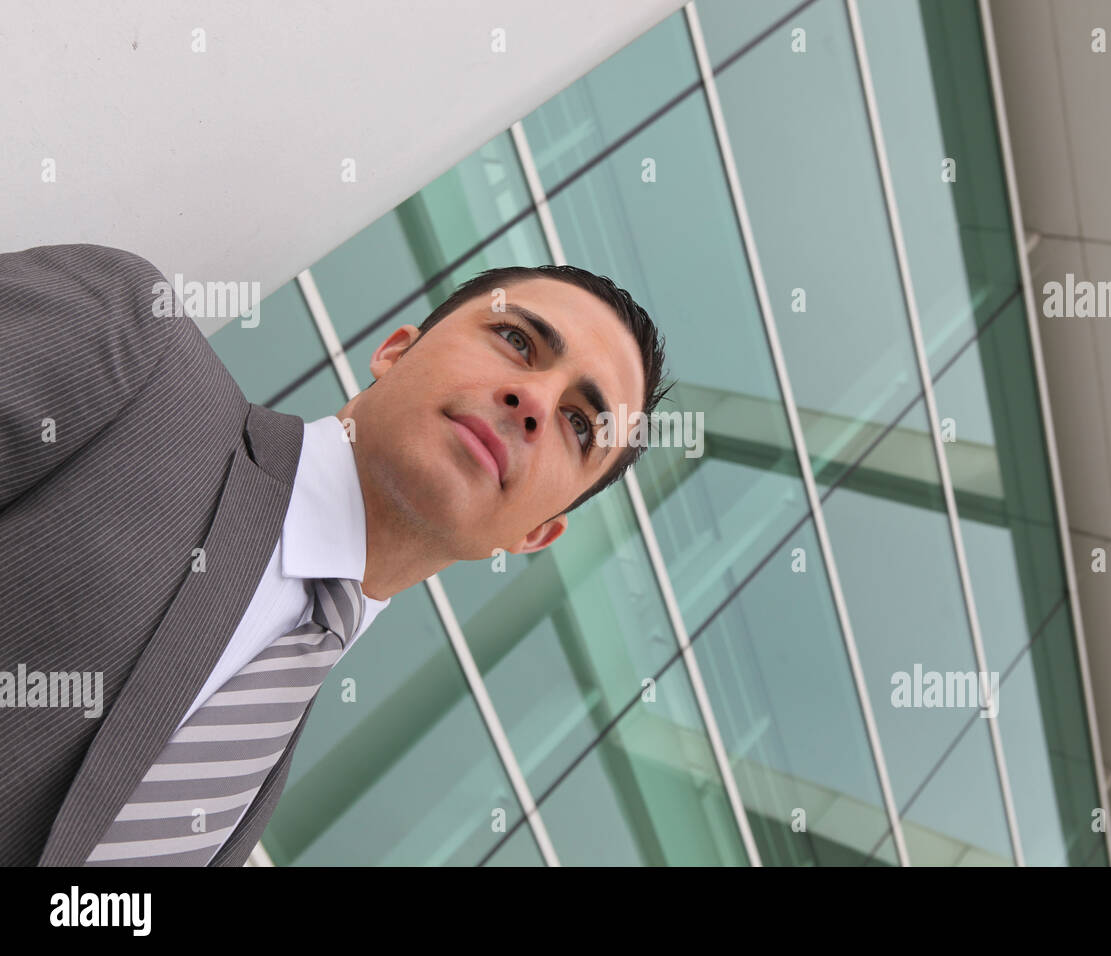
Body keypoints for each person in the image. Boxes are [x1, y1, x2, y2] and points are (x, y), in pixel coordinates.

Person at [0, 242, 673, 866]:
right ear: (395, 351)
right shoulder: (137, 348)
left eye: (580, 424)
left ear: (535, 537)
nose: (534, 400)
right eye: (516, 340)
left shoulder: (252, 786)